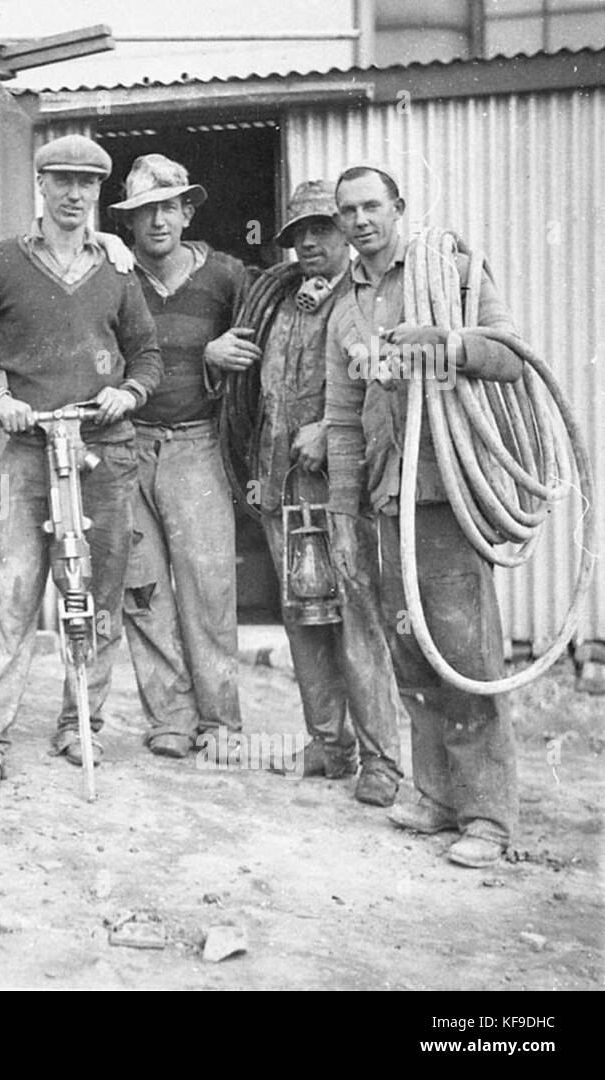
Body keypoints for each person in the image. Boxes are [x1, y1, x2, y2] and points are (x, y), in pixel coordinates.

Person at [0, 134, 163, 790]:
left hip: (104, 452)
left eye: (86, 185)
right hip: (28, 452)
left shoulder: (116, 269)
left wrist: (130, 391)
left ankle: (80, 723)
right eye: (61, 180)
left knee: (99, 597)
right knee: (11, 597)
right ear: (41, 184)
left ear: (98, 193)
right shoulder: (1, 265)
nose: (73, 195)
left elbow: (147, 353)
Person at [324, 164, 524, 867]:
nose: (359, 221)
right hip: (385, 494)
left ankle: (489, 818)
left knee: (463, 655)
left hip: (445, 492)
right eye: (347, 211)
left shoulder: (451, 268)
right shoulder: (343, 305)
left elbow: (511, 356)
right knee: (409, 652)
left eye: (371, 206)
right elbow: (341, 415)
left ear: (398, 207)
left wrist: (446, 345)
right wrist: (344, 509)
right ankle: (437, 796)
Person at [254, 180, 402, 804]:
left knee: (356, 620)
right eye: (297, 235)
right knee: (302, 618)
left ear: (345, 234)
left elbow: (380, 377)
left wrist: (329, 427)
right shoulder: (282, 300)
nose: (309, 242)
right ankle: (328, 744)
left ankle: (382, 761)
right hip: (279, 483)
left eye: (322, 229)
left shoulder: (363, 301)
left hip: (340, 483)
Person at [111, 155, 254, 759]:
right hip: (126, 445)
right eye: (145, 212)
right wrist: (201, 357)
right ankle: (170, 716)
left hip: (196, 445)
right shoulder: (114, 278)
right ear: (129, 224)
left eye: (168, 207)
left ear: (187, 210)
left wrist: (224, 352)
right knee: (141, 588)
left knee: (208, 587)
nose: (158, 221)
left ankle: (220, 722)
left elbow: (270, 327)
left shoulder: (225, 275)